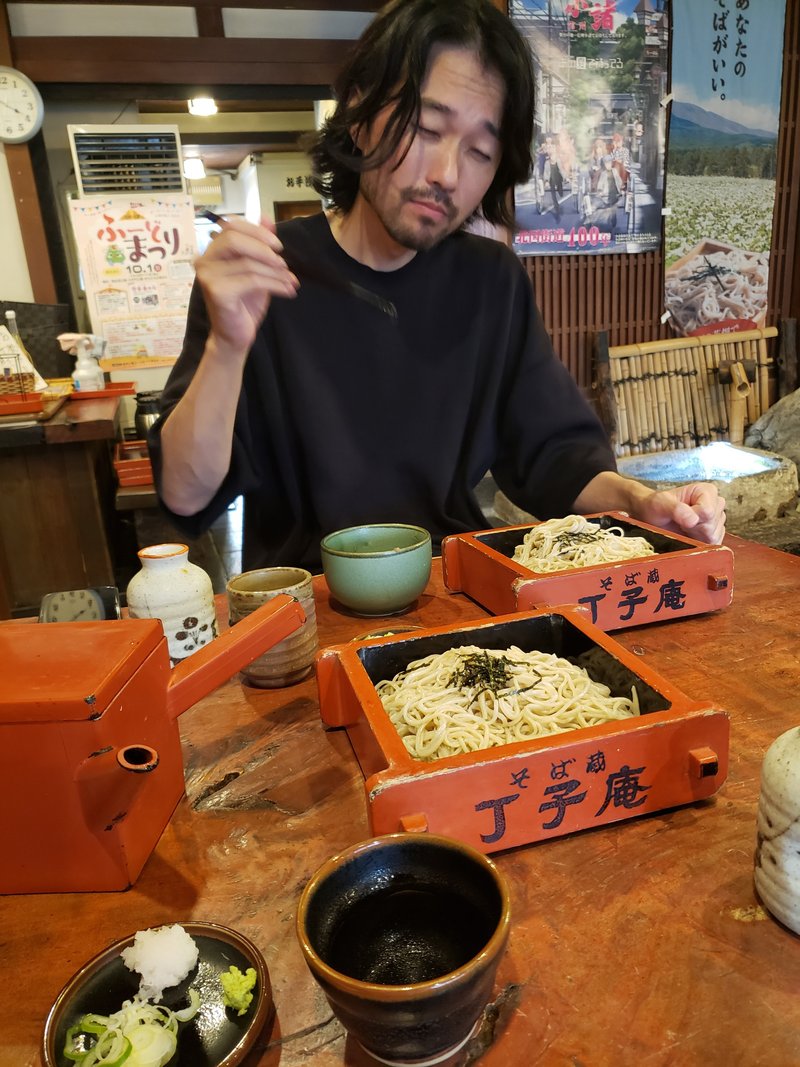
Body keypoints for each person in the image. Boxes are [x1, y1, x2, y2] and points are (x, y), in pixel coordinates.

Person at [149, 0, 726, 573]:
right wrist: (227, 346)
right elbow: (187, 496)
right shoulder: (268, 272)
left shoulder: (489, 280)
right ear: (359, 111)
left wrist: (642, 502)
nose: (447, 175)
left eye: (480, 151)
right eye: (427, 128)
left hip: (451, 593)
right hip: (307, 603)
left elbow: (556, 458)